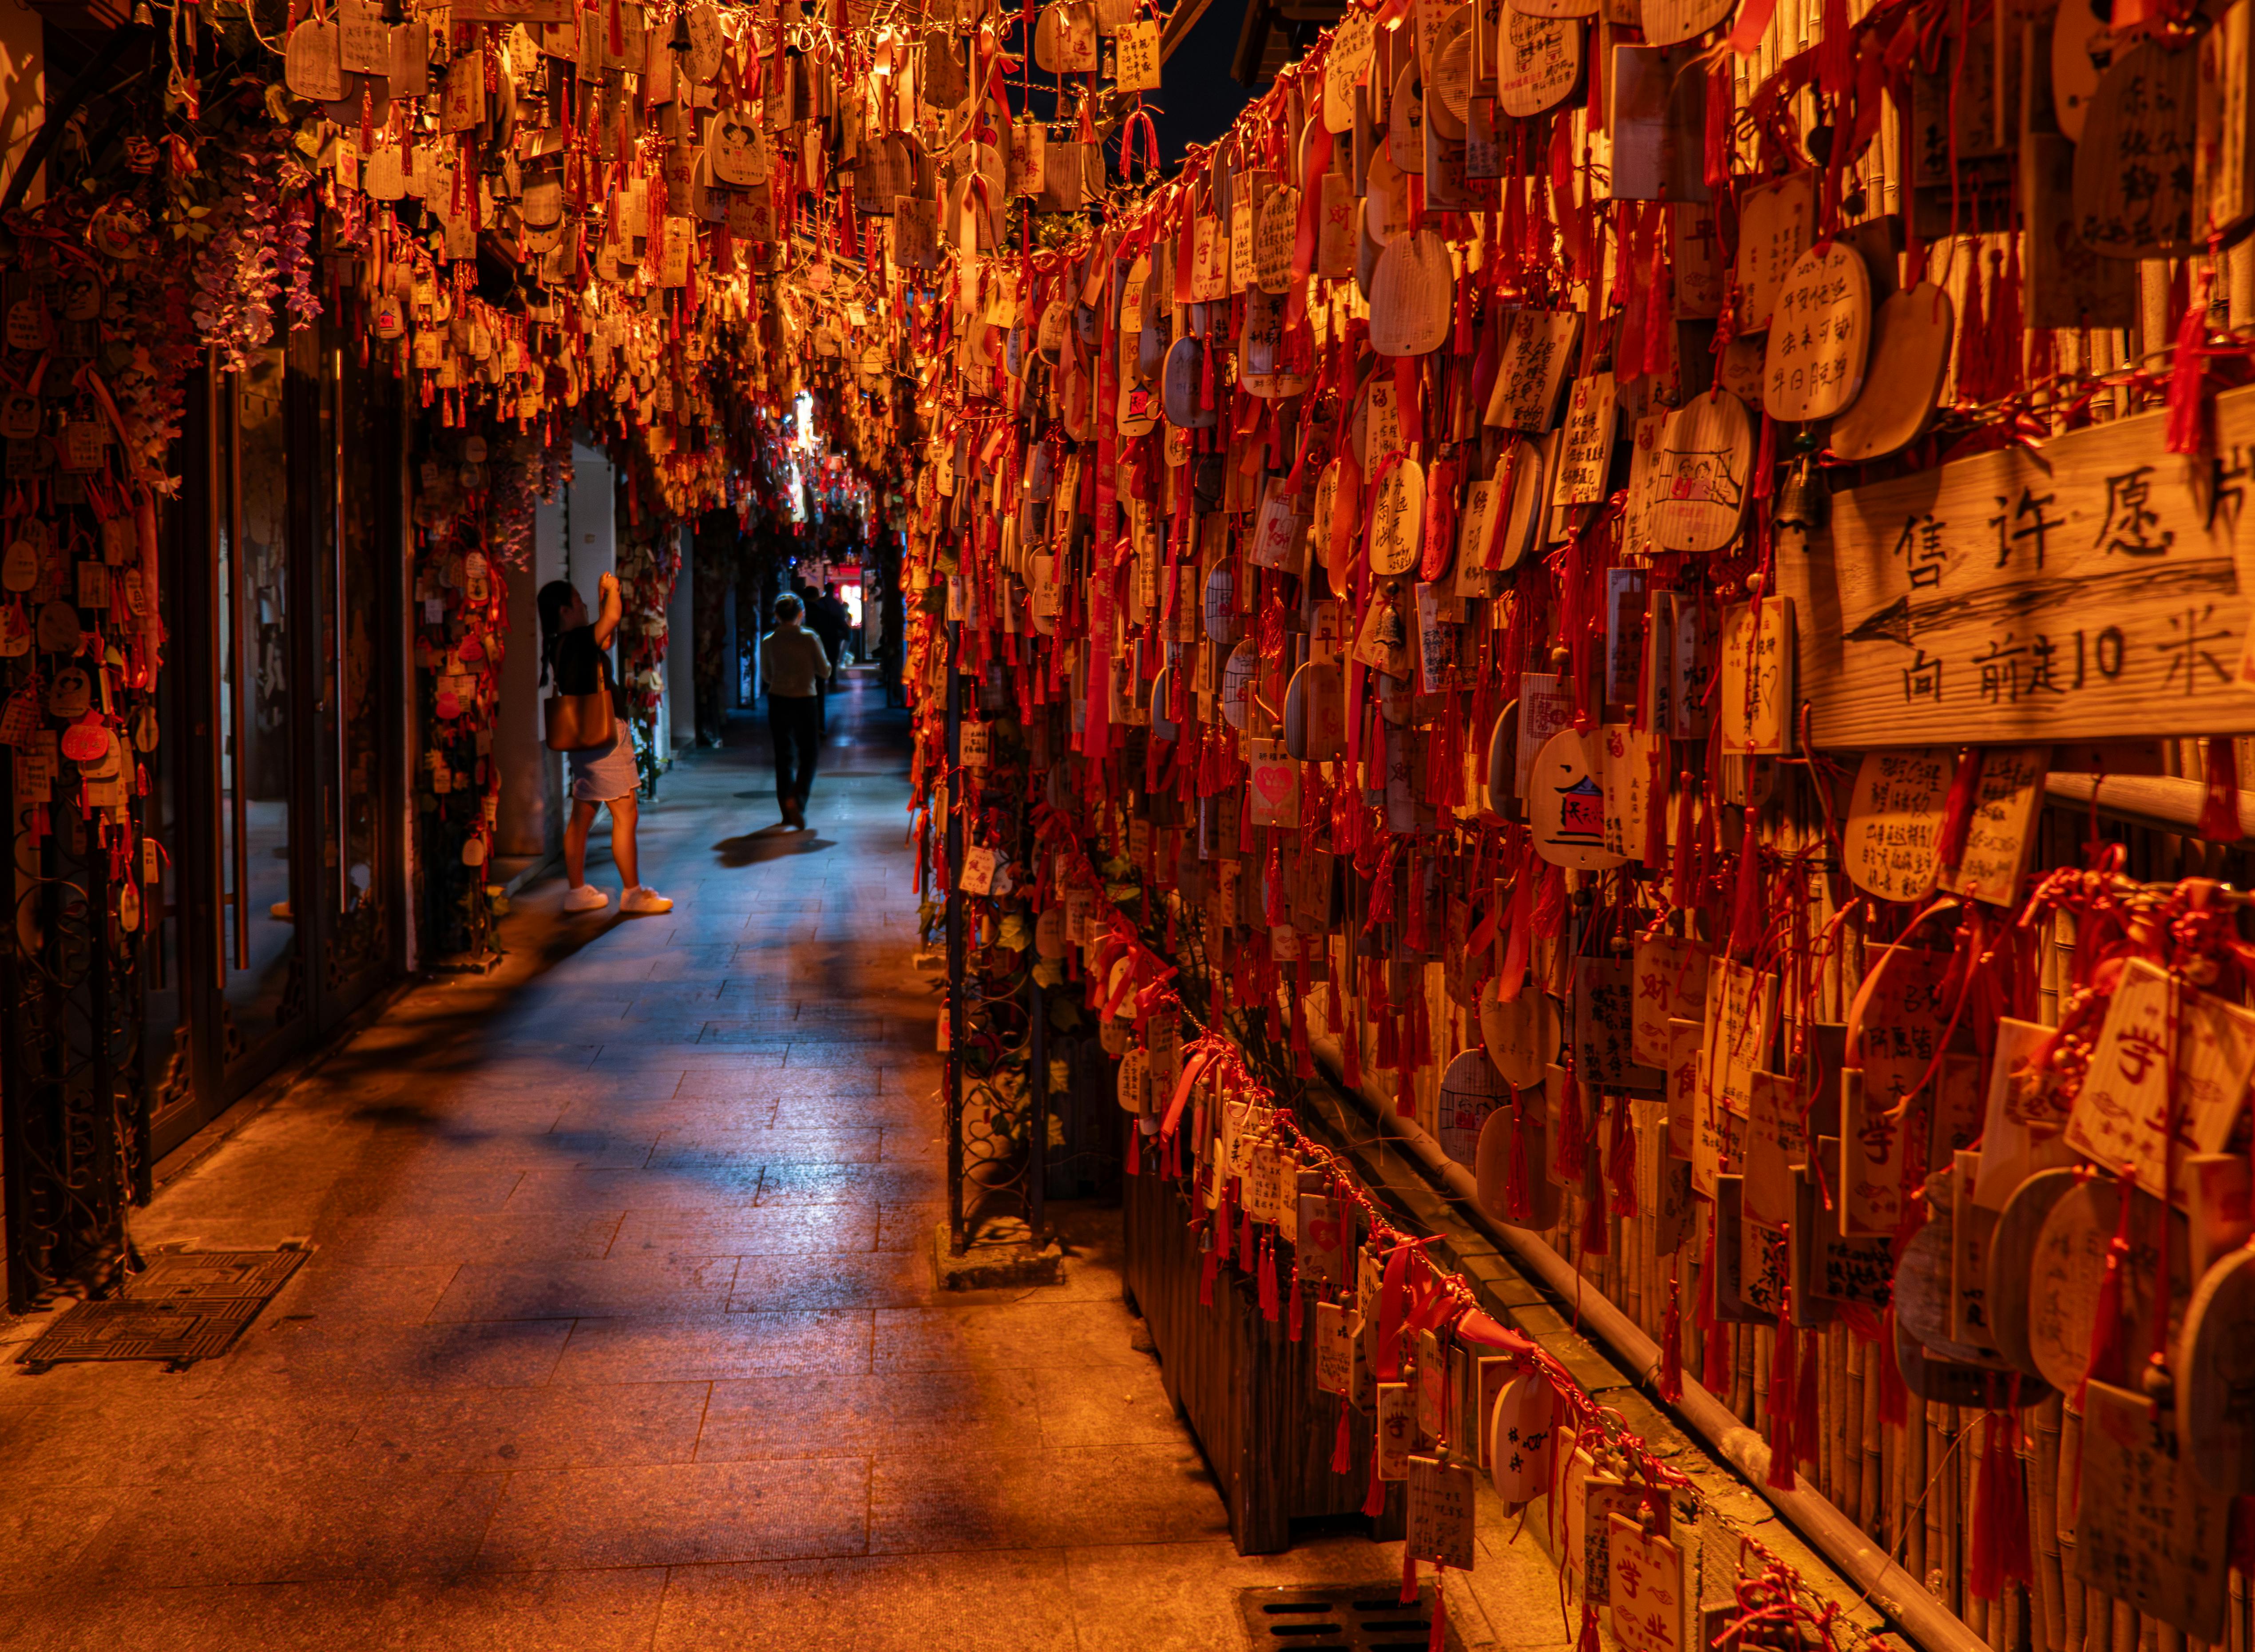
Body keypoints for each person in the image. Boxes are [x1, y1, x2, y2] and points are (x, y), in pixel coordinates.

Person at [538, 572, 674, 915]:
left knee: (583, 814)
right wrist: (612, 588)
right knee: (626, 812)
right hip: (604, 737)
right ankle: (632, 892)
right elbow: (612, 619)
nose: (585, 607)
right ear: (566, 610)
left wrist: (601, 598)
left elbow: (606, 632)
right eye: (580, 603)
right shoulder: (581, 639)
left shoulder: (560, 644)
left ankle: (577, 890)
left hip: (582, 739)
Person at [761, 592, 831, 830]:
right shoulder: (810, 638)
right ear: (801, 614)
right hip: (805, 699)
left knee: (784, 756)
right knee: (809, 753)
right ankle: (798, 800)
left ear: (776, 615)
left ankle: (786, 812)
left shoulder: (769, 641)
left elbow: (767, 676)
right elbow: (825, 671)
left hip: (778, 699)